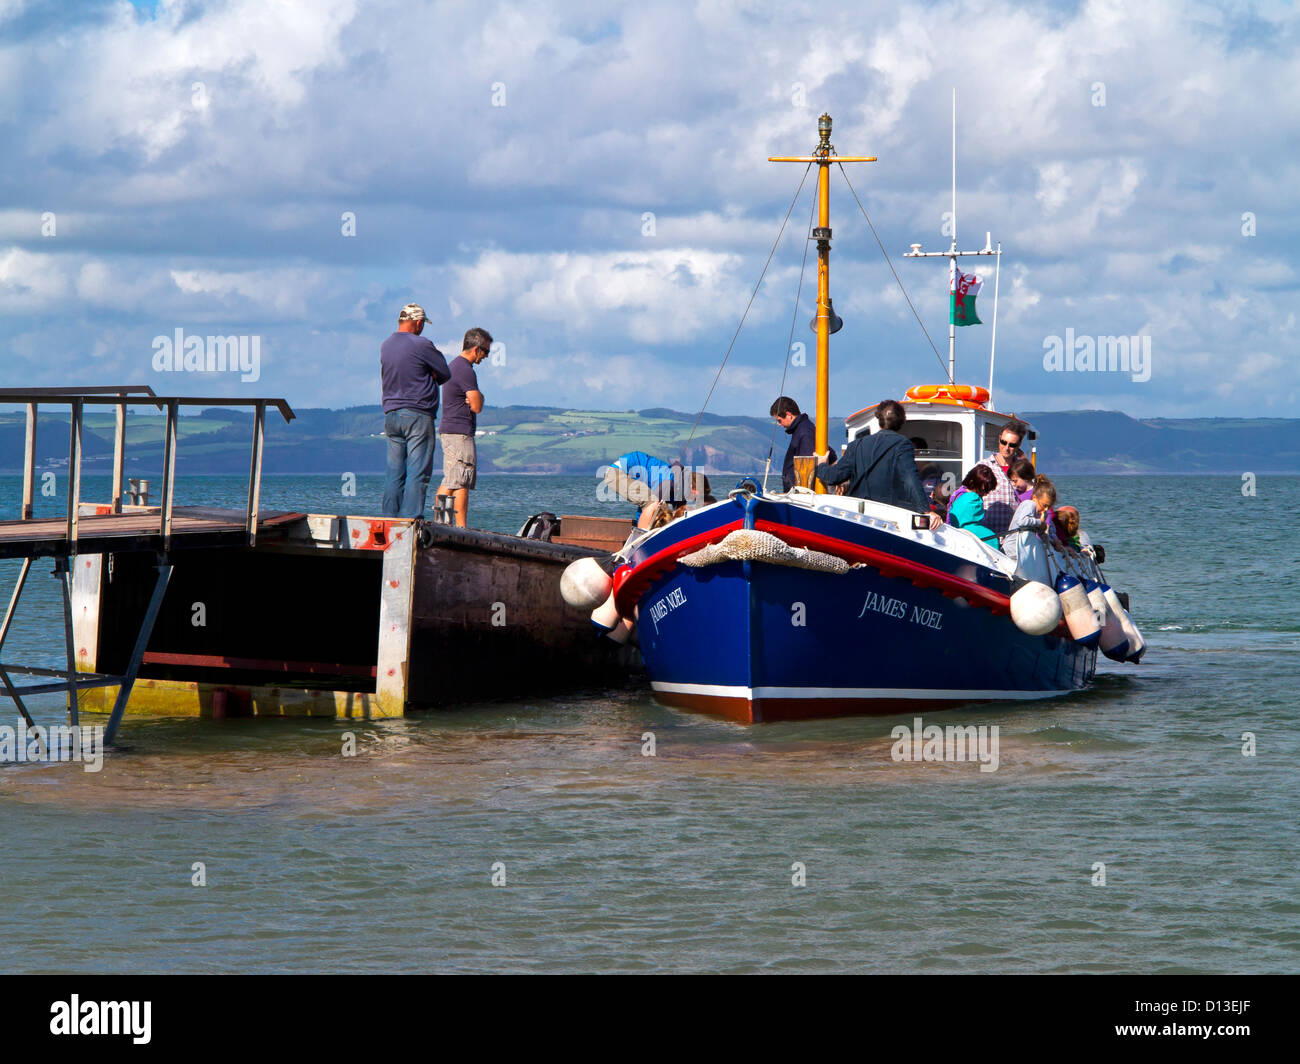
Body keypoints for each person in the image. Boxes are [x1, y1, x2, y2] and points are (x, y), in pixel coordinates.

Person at [814, 399, 941, 528]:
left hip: (857, 517)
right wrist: (926, 510)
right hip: (887, 519)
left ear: (878, 419)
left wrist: (820, 465)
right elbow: (910, 479)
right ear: (902, 422)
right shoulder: (903, 445)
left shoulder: (856, 445)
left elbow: (834, 477)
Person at [380, 303, 450, 518]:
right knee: (418, 470)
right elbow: (445, 373)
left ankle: (390, 517)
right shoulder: (422, 344)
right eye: (422, 325)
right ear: (418, 323)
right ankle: (410, 519)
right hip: (418, 413)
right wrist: (429, 373)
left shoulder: (386, 345)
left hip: (391, 413)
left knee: (394, 472)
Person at [435, 327, 493, 528]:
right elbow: (477, 406)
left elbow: (474, 401)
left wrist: (476, 397)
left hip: (452, 430)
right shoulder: (465, 370)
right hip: (459, 432)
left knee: (456, 480)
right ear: (476, 349)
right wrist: (480, 397)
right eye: (485, 351)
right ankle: (453, 526)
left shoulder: (455, 367)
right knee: (458, 481)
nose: (486, 356)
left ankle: (449, 524)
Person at [976, 419, 1029, 534]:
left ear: (1019, 445)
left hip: (1014, 536)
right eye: (1003, 442)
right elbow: (969, 495)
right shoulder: (983, 466)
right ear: (999, 438)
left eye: (1012, 445)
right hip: (988, 535)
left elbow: (1036, 498)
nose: (1006, 448)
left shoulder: (1023, 470)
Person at [1004, 474, 1058, 572]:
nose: (1046, 509)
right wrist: (1039, 522)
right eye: (1044, 505)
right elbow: (1022, 521)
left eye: (1048, 507)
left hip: (1024, 549)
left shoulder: (1042, 513)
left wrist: (1051, 542)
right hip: (1013, 547)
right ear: (1034, 497)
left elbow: (1041, 534)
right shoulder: (1030, 504)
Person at [945, 465, 999, 548]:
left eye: (988, 491)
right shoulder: (967, 497)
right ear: (972, 482)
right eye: (984, 490)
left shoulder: (969, 494)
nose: (985, 494)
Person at [770, 396, 815, 491]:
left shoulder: (804, 432)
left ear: (789, 415)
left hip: (802, 495)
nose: (779, 424)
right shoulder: (802, 429)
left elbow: (807, 465)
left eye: (779, 420)